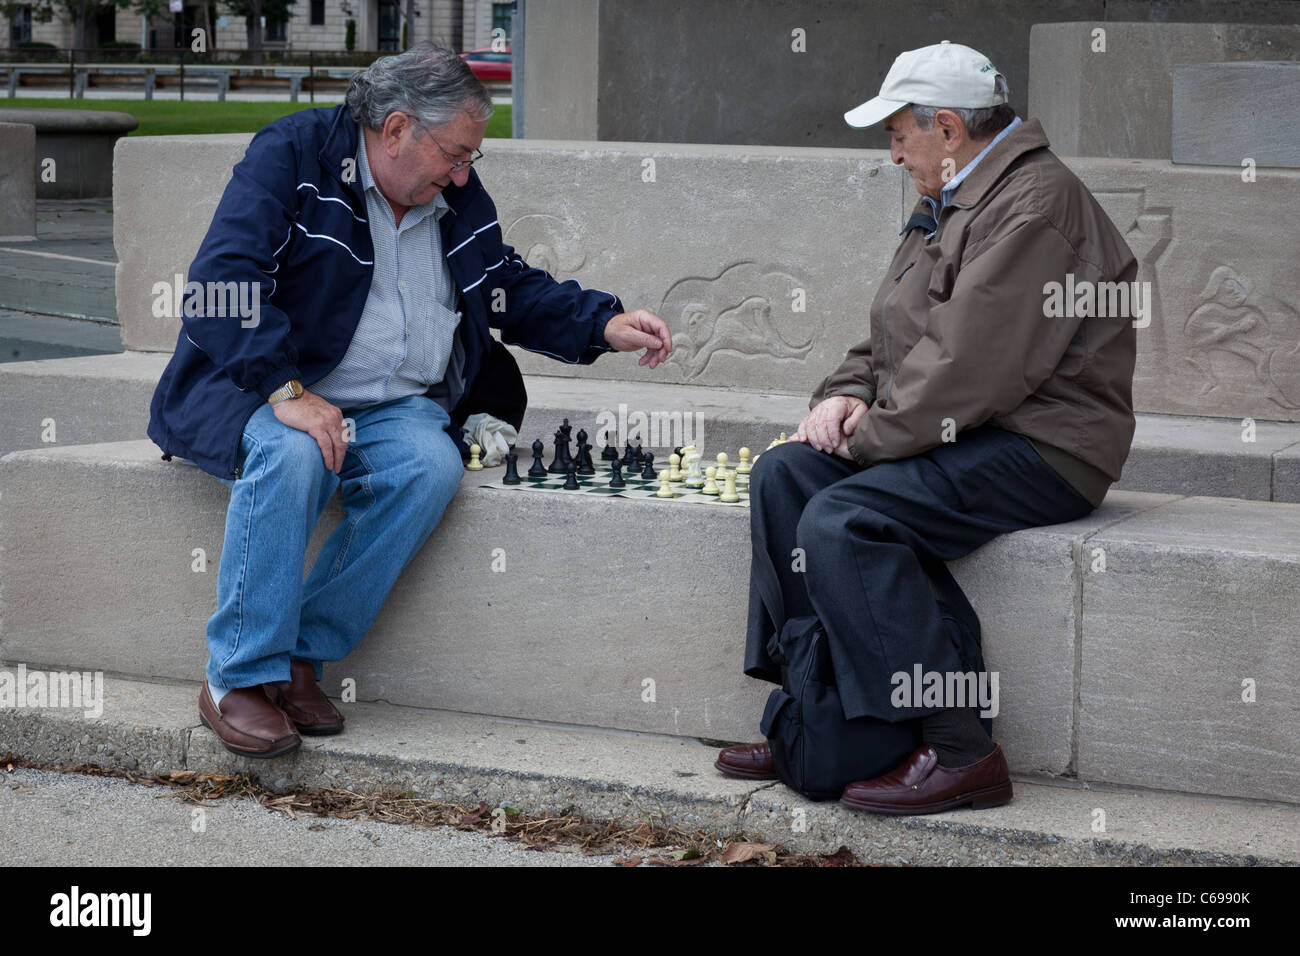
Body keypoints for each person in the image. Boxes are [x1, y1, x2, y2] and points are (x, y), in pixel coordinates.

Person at [147, 44, 673, 759]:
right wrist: (285, 389)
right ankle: (237, 676)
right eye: (456, 154)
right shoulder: (294, 155)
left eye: (471, 159)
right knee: (295, 454)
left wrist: (601, 324)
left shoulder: (451, 191)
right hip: (265, 389)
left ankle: (300, 658)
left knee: (429, 466)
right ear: (395, 130)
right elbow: (221, 284)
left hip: (394, 404)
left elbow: (503, 284)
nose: (464, 172)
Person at [714, 41, 1138, 814]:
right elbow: (894, 330)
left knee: (842, 515)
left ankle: (960, 748)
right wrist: (842, 396)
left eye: (898, 133)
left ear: (948, 128)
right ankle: (823, 723)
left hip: (1045, 447)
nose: (891, 150)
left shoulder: (1036, 205)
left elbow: (969, 367)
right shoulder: (957, 189)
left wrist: (865, 439)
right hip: (965, 428)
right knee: (785, 474)